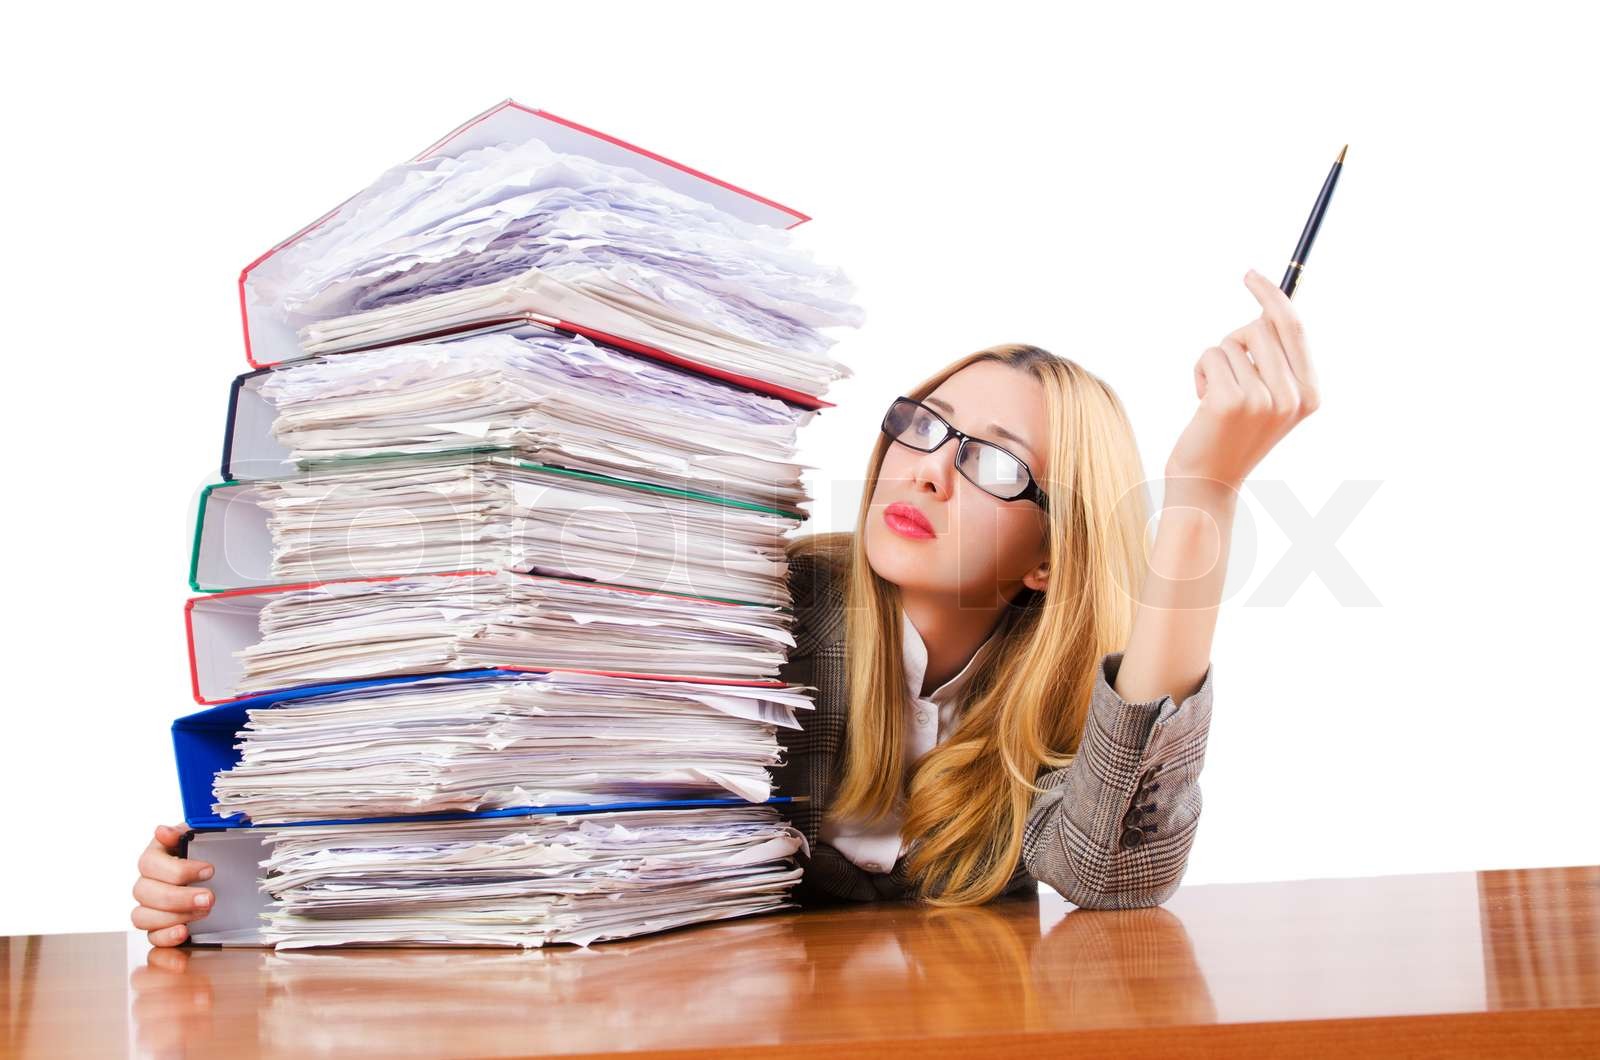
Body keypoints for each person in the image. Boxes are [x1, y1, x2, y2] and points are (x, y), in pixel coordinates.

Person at [132, 268, 1319, 942]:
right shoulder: (747, 609)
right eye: (923, 423)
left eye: (993, 463)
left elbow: (1113, 880)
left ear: (1048, 561)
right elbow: (501, 755)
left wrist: (1203, 485)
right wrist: (243, 859)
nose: (925, 467)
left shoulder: (1057, 702)